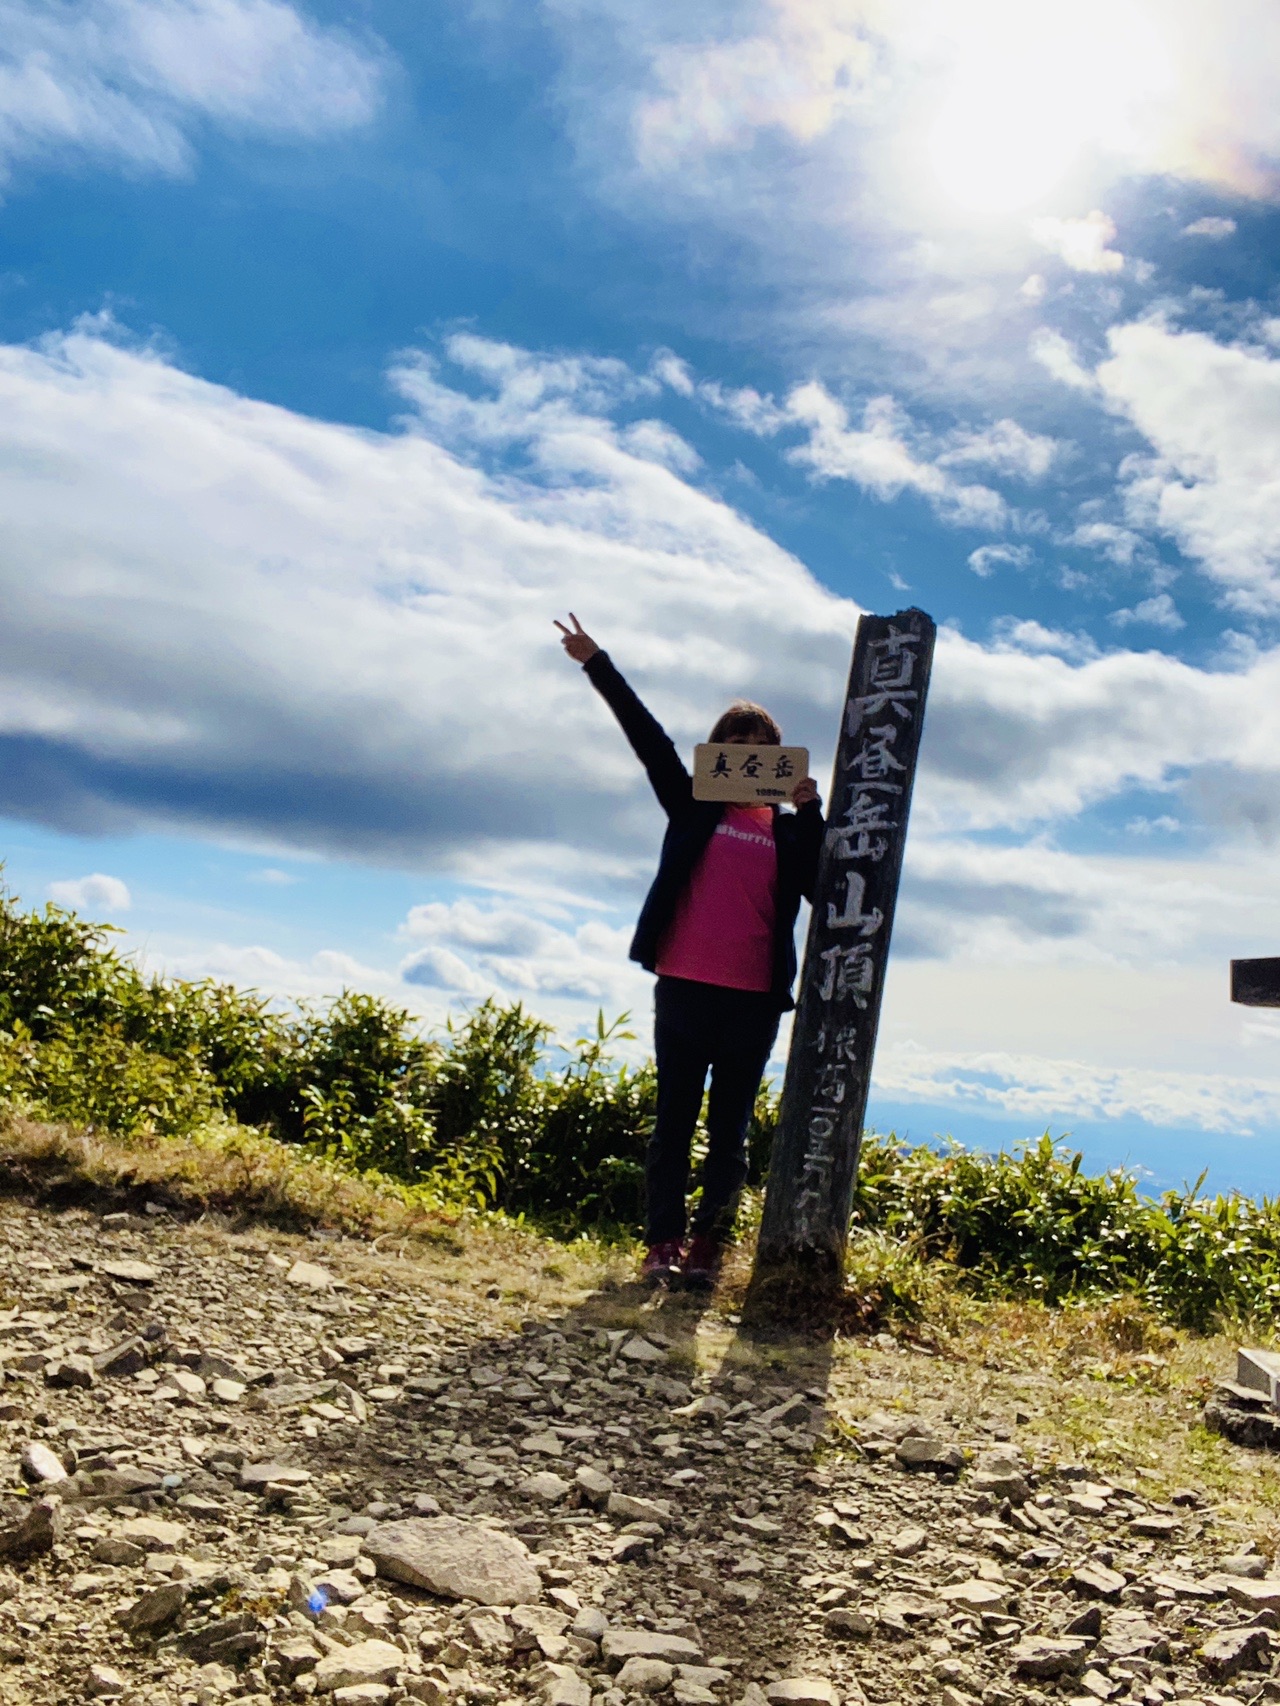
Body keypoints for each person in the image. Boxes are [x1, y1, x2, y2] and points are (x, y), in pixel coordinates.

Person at [555, 613, 824, 1288]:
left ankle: (708, 1246)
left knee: (729, 1134)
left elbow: (822, 889)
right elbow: (649, 741)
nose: (746, 753)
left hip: (753, 999)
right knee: (672, 1124)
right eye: (735, 743)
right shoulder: (693, 803)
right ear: (717, 753)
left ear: (777, 757)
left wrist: (812, 812)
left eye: (759, 745)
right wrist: (597, 663)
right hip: (683, 984)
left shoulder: (789, 830)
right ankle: (662, 1245)